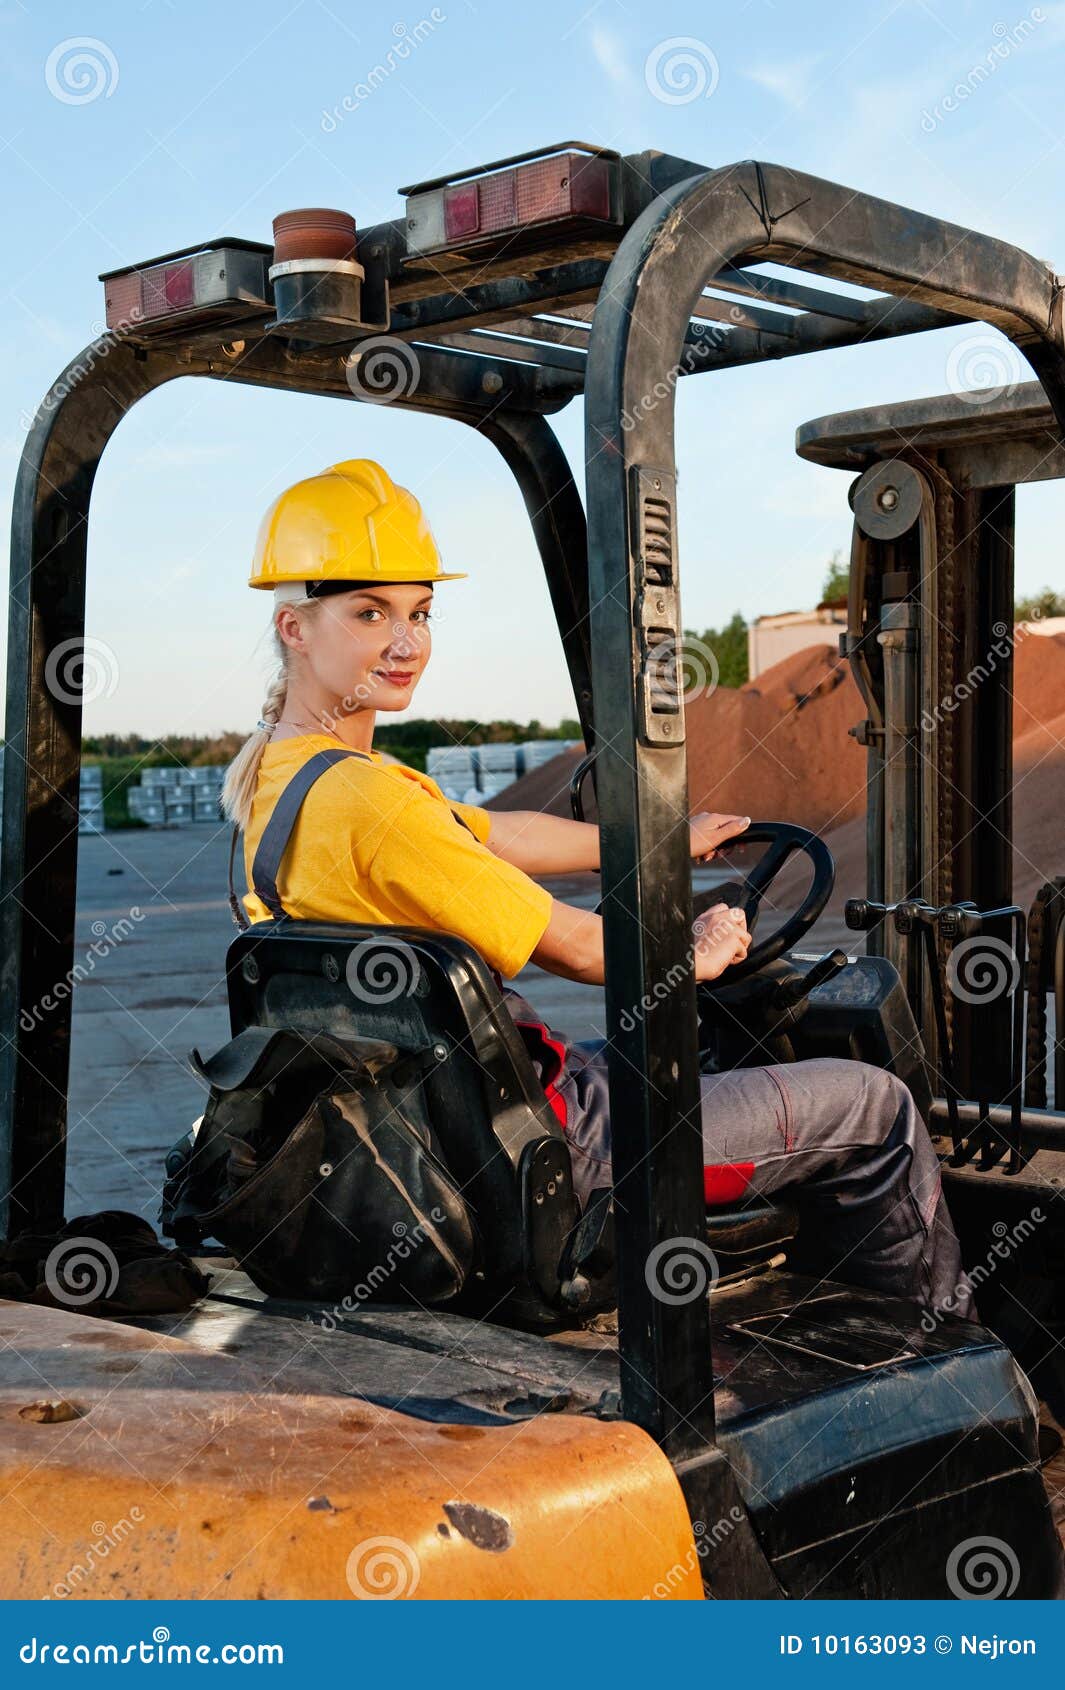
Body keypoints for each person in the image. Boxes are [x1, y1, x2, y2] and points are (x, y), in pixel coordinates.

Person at [222, 458, 973, 1322]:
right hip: (556, 1153)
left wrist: (661, 839)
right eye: (369, 613)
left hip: (432, 1140)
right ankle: (940, 1364)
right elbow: (585, 950)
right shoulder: (368, 800)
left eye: (419, 611)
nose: (406, 641)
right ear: (294, 627)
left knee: (691, 1064)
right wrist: (695, 953)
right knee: (874, 1106)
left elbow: (501, 834)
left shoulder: (289, 788)